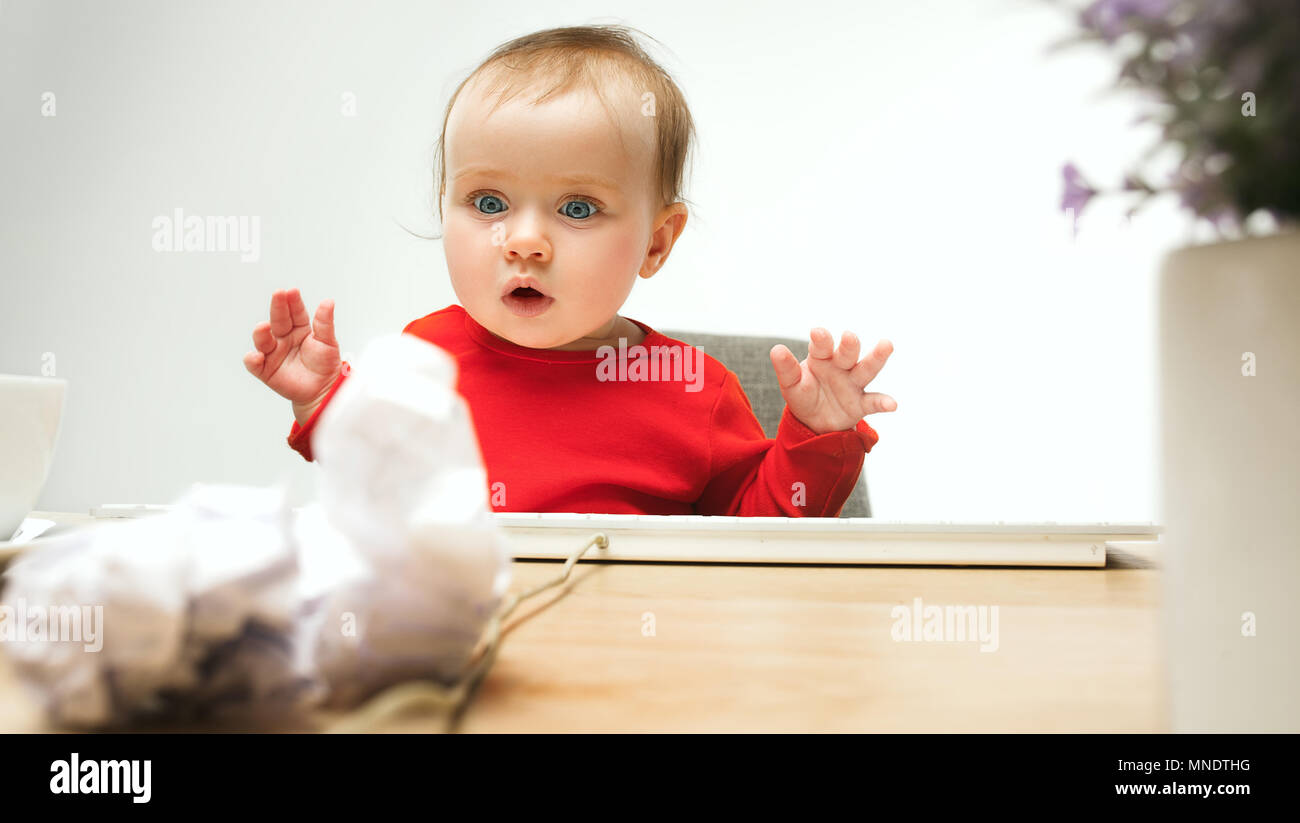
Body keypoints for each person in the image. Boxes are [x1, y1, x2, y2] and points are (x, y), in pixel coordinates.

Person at [243, 24, 896, 516]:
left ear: (656, 243)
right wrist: (322, 399)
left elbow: (765, 540)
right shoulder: (423, 357)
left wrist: (819, 435)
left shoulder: (696, 393)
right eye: (489, 202)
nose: (524, 241)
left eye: (577, 208)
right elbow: (372, 477)